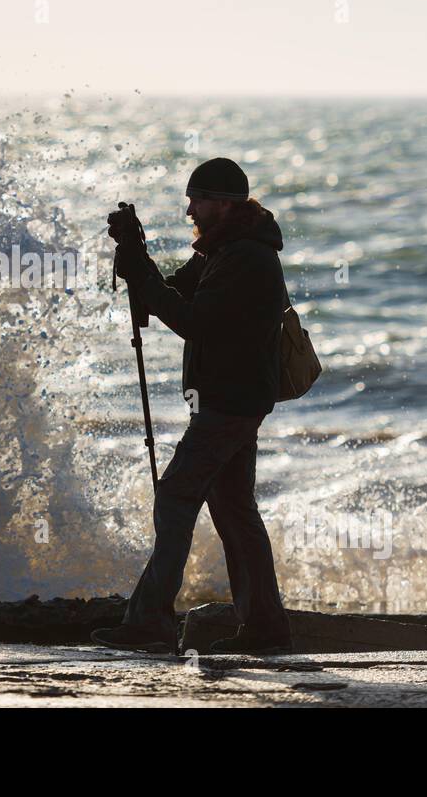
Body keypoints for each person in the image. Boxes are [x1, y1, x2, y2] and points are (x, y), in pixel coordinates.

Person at [92, 156, 294, 655]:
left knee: (177, 497)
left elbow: (189, 320)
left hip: (229, 402)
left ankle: (150, 622)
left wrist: (142, 271)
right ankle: (264, 627)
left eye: (198, 200)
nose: (190, 210)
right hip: (232, 400)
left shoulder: (246, 257)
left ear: (225, 204)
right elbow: (167, 294)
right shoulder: (221, 250)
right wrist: (135, 254)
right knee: (233, 509)